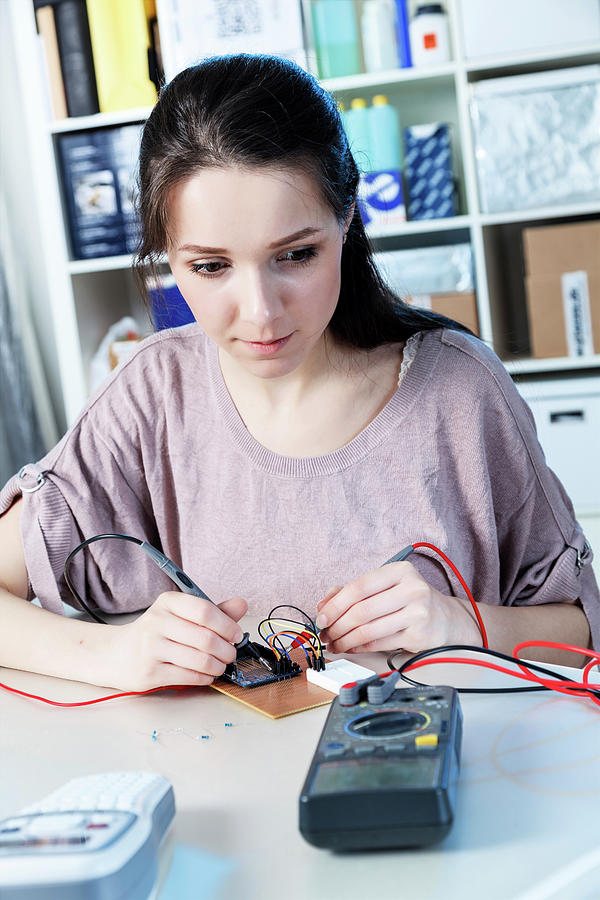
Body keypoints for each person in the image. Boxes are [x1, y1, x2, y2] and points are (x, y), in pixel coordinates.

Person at [0, 54, 597, 693]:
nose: (260, 313)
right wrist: (114, 654)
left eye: (296, 255)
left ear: (347, 219)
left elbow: (582, 628)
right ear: (166, 257)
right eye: (209, 267)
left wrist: (464, 623)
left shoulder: (463, 393)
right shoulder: (153, 395)